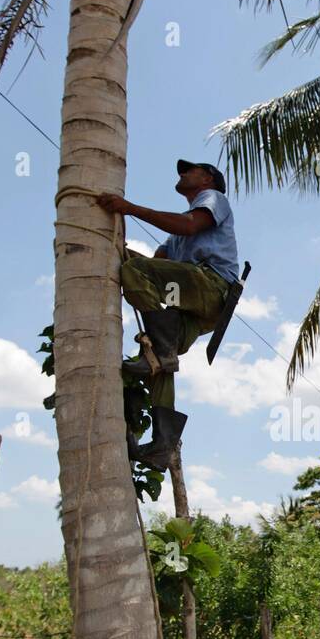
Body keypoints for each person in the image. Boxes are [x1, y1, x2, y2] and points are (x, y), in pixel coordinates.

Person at [98, 159, 238, 468]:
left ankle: (162, 352)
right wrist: (111, 246)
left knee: (136, 276)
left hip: (211, 286)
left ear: (208, 179)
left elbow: (188, 225)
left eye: (189, 170)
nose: (182, 173)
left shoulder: (214, 200)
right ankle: (163, 446)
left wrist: (130, 208)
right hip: (196, 309)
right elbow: (151, 263)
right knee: (156, 361)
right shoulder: (176, 239)